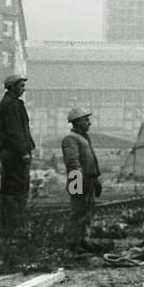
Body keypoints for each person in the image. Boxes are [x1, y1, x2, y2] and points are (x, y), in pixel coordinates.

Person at [0, 73, 35, 234]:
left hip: (14, 152)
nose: (23, 89)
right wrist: (23, 152)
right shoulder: (9, 105)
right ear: (11, 87)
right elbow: (14, 131)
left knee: (18, 188)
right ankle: (13, 226)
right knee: (14, 189)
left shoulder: (13, 104)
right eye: (21, 86)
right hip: (14, 154)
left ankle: (15, 224)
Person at [61, 106, 102, 249]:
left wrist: (95, 180)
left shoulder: (84, 139)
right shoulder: (70, 139)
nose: (89, 123)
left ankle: (83, 240)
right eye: (86, 120)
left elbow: (91, 162)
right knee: (78, 211)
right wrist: (79, 182)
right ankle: (73, 242)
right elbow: (72, 162)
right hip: (77, 180)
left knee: (87, 211)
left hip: (87, 180)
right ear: (77, 122)